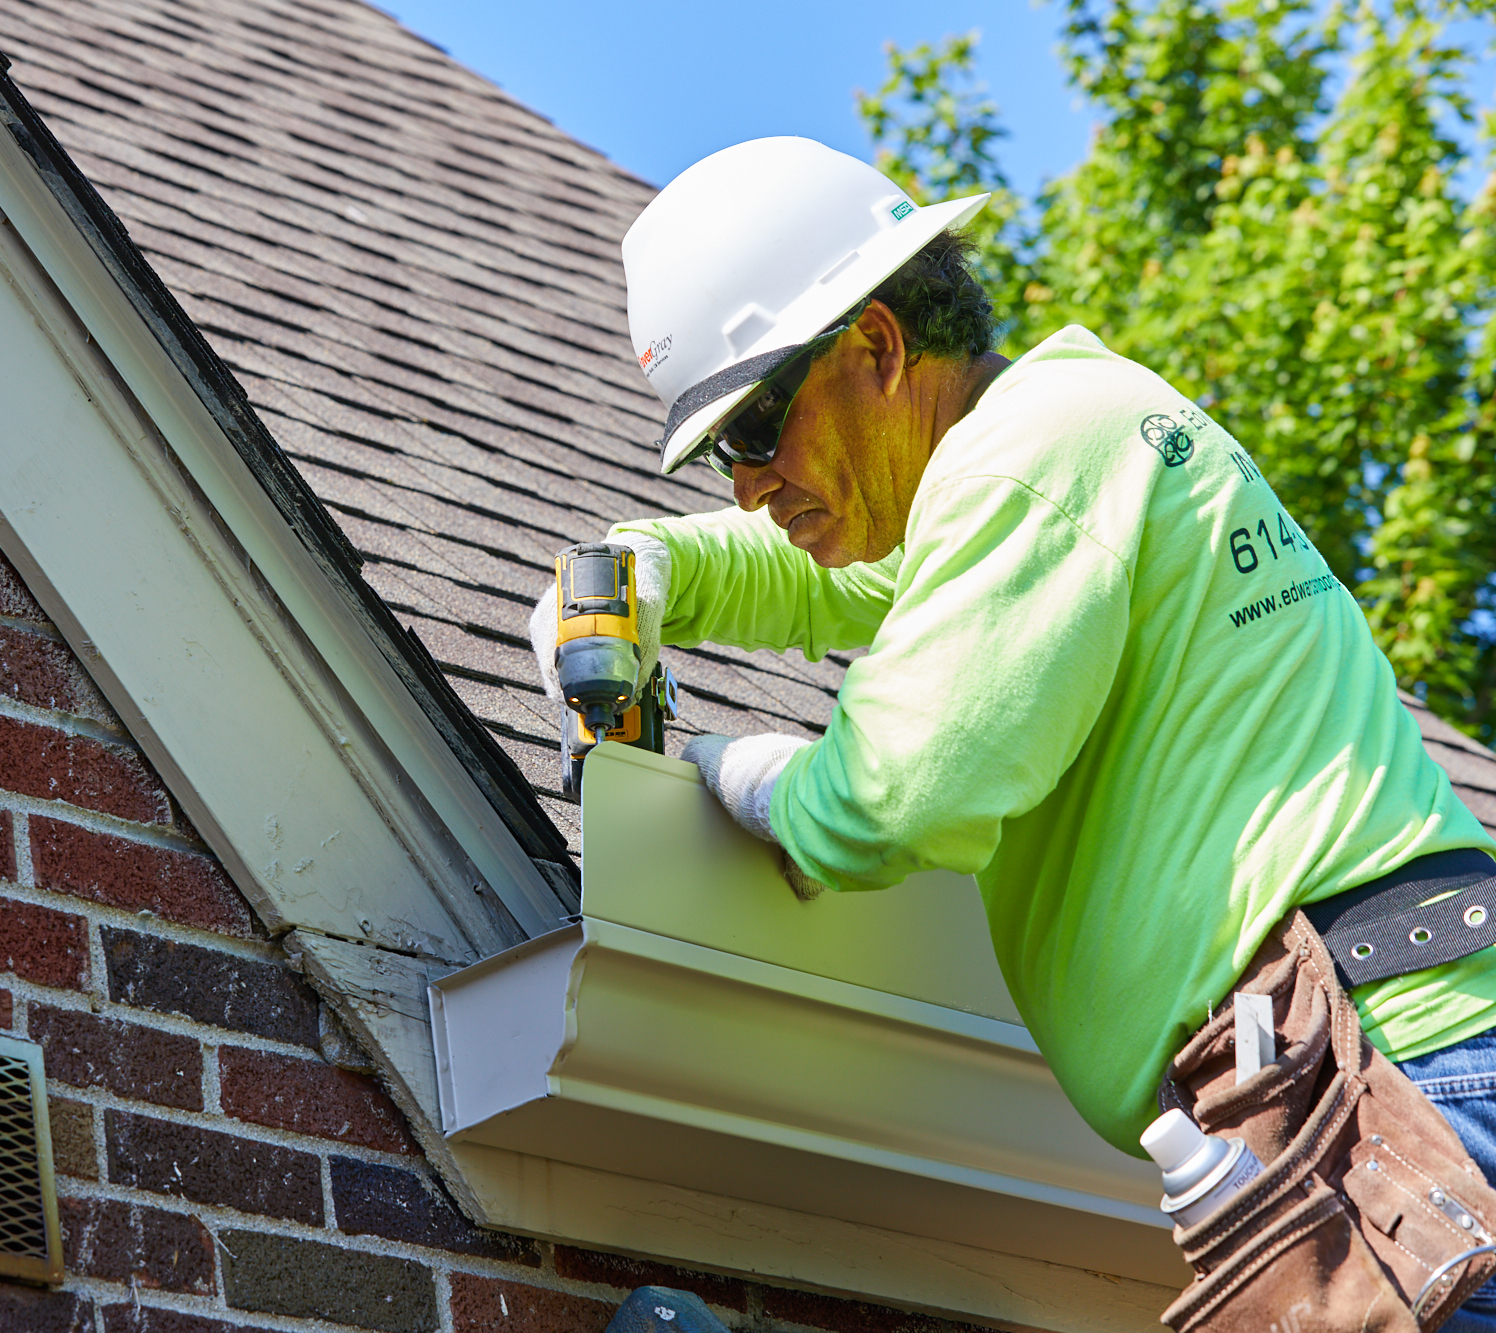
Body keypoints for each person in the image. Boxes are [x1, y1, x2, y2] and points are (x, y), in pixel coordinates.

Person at [531, 136, 1496, 1326]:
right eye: (722, 452)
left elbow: (889, 797)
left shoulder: (1034, 456)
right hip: (1388, 1063)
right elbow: (833, 578)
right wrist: (643, 564)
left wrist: (744, 774)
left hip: (1395, 1072)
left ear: (876, 346)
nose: (745, 481)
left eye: (756, 428)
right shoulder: (1051, 447)